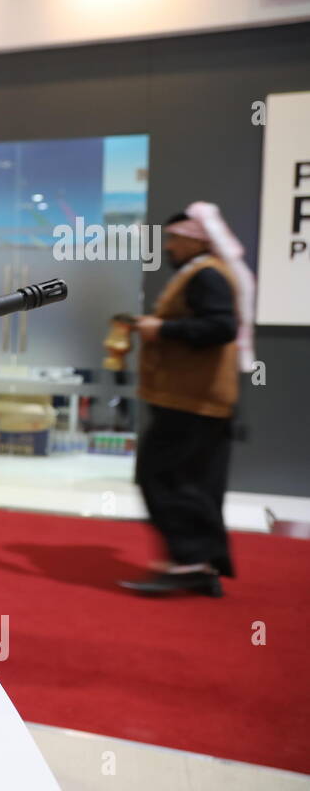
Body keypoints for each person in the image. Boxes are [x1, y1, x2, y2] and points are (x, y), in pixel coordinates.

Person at [118, 203, 254, 597]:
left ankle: (190, 563)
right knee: (194, 481)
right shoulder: (204, 272)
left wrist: (160, 328)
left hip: (190, 402)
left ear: (194, 240)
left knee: (162, 476)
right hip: (195, 400)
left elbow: (220, 327)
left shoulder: (207, 275)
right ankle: (200, 563)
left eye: (174, 239)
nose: (169, 248)